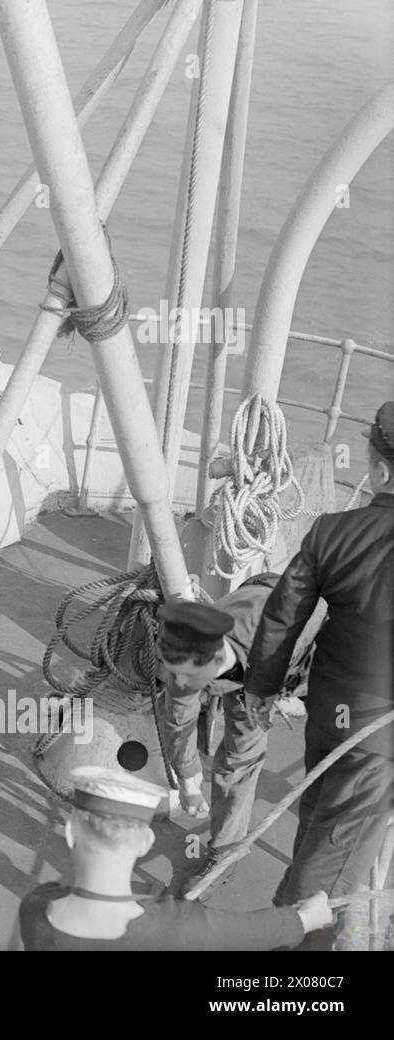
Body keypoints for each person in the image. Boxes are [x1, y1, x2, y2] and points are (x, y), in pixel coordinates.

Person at [245, 400, 394, 950]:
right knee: (332, 865)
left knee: (319, 823)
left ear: (377, 469)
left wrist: (260, 691)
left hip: (329, 714)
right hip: (379, 735)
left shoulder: (331, 531)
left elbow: (283, 615)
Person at [18, 766, 332, 951]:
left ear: (71, 833)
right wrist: (303, 918)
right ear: (146, 843)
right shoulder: (177, 927)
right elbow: (248, 929)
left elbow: (64, 892)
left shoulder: (34, 907)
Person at [155, 590, 321, 898]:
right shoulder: (185, 654)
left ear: (216, 660)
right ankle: (225, 854)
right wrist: (190, 788)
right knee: (239, 758)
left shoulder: (281, 636)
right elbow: (179, 721)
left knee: (338, 746)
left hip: (313, 640)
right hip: (253, 655)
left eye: (193, 681)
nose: (182, 685)